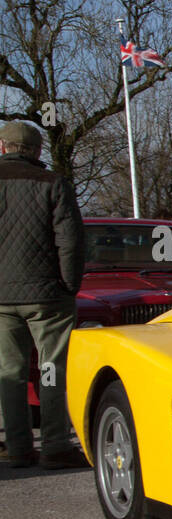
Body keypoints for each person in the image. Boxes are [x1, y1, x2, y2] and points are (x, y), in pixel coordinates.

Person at [0, 120, 87, 469]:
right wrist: (70, 284)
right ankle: (54, 445)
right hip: (48, 295)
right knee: (51, 368)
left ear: (3, 147)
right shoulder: (53, 183)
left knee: (11, 371)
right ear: (38, 151)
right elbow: (71, 239)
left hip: (2, 296)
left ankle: (18, 447)